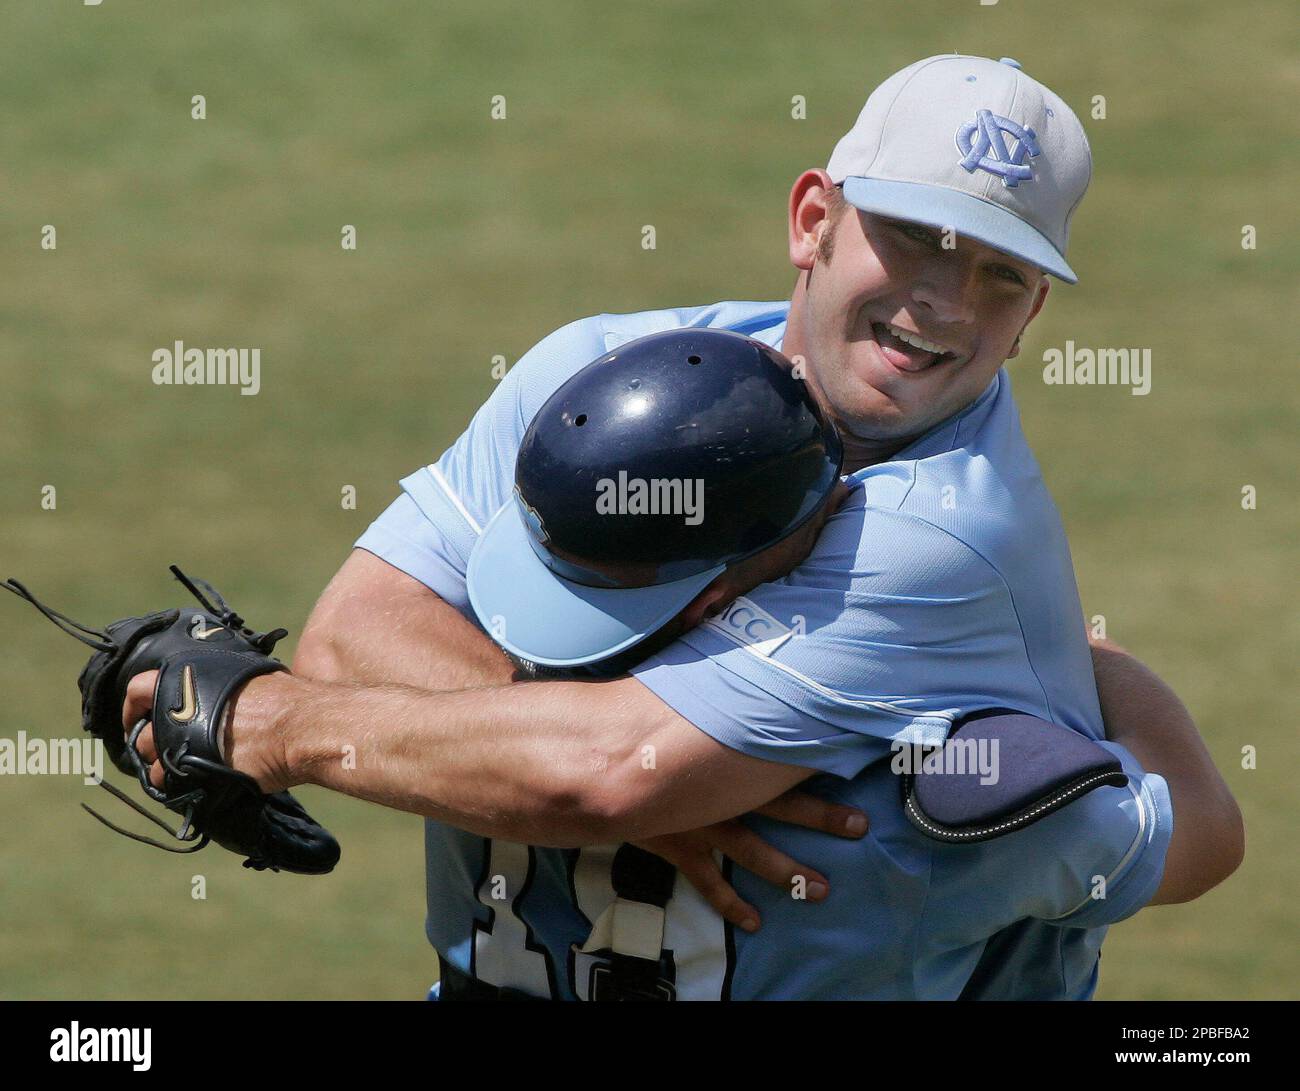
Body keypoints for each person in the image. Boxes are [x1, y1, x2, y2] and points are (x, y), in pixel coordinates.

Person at [124, 54, 1243, 999]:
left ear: (1035, 311)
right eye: (914, 236)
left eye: (1002, 274)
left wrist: (271, 726)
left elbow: (600, 774)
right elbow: (357, 636)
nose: (947, 301)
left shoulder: (941, 546)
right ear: (814, 218)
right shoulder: (595, 374)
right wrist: (635, 790)